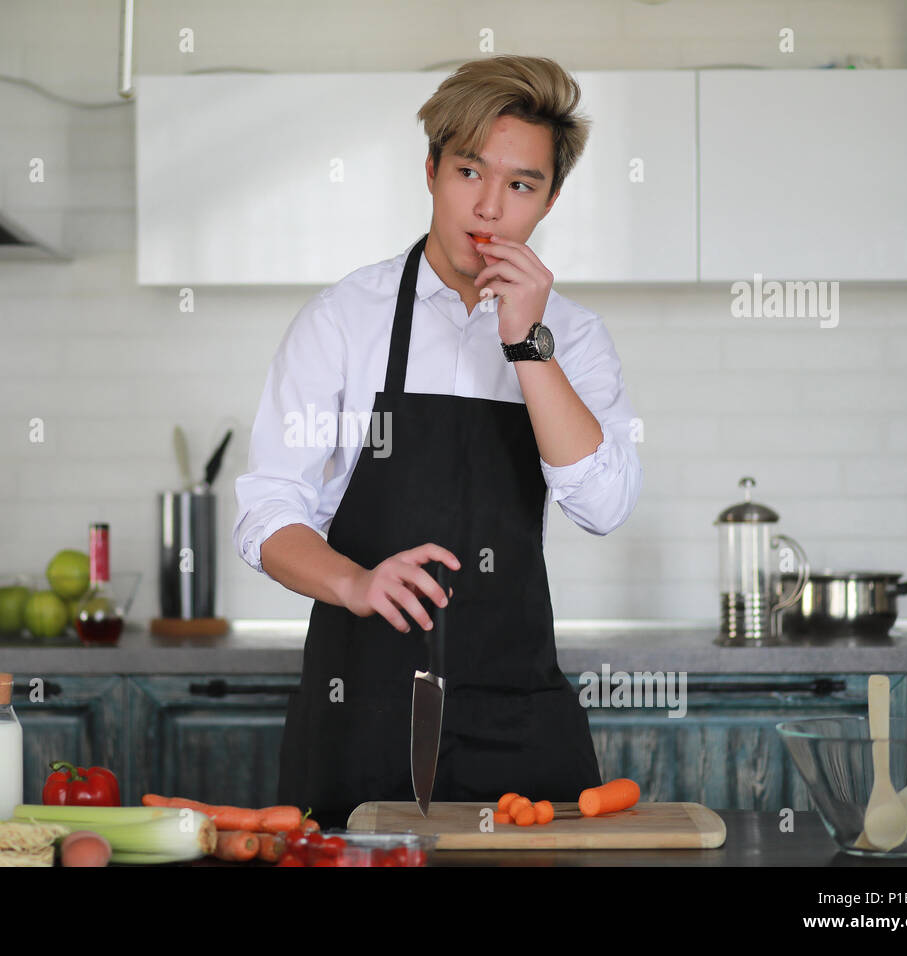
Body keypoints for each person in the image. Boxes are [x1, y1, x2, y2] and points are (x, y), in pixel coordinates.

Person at [232, 54, 643, 829]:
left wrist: (528, 346)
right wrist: (354, 583)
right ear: (431, 171)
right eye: (468, 171)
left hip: (517, 714)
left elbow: (605, 502)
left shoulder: (575, 338)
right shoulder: (343, 319)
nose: (488, 208)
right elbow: (266, 514)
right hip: (362, 710)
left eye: (520, 185)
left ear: (550, 199)